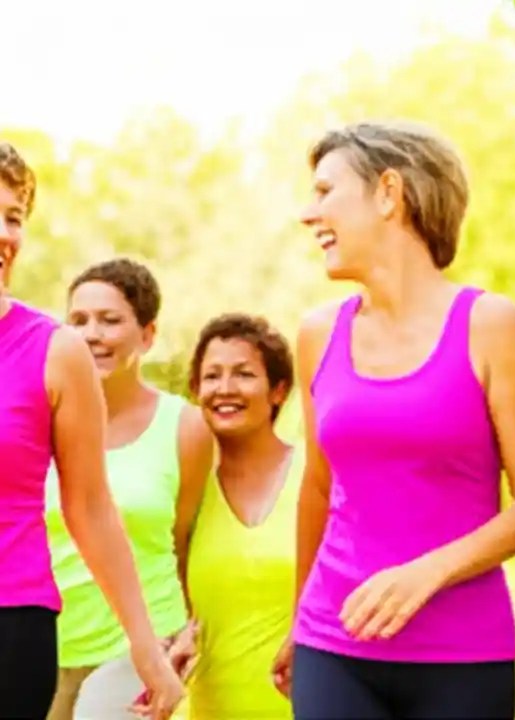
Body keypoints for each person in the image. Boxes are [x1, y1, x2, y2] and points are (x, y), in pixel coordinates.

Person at [275, 121, 515, 719]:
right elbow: (319, 489)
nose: (309, 213)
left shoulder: (489, 324)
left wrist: (424, 575)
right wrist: (300, 619)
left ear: (388, 192)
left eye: (326, 192)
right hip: (333, 644)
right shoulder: (317, 334)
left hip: (461, 655)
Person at [0, 143, 185, 719]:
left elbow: (91, 505)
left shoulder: (55, 351)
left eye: (13, 217)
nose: (4, 233)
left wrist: (146, 648)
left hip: (12, 623)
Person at [44, 258, 212, 720]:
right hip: (46, 644)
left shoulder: (186, 426)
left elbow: (186, 543)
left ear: (148, 334)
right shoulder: (35, 421)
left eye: (110, 320)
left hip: (141, 645)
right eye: (78, 321)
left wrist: (188, 634)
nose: (91, 334)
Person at [183, 313, 298, 719]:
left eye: (244, 374)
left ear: (278, 390)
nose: (225, 389)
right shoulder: (184, 487)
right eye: (211, 377)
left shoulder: (317, 477)